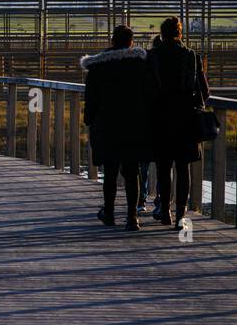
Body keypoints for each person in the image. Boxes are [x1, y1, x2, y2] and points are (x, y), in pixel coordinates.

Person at [82, 25, 156, 230]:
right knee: (132, 172)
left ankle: (109, 212)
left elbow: (91, 98)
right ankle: (132, 217)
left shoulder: (98, 66)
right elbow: (150, 94)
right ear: (131, 42)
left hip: (107, 125)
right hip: (135, 125)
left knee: (111, 171)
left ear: (113, 40)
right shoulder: (141, 64)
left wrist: (89, 119)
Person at [148, 17, 210, 228]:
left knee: (164, 168)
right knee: (183, 168)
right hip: (185, 119)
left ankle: (165, 210)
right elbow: (205, 91)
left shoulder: (152, 57)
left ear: (162, 34)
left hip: (159, 119)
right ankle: (181, 215)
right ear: (180, 34)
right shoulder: (190, 56)